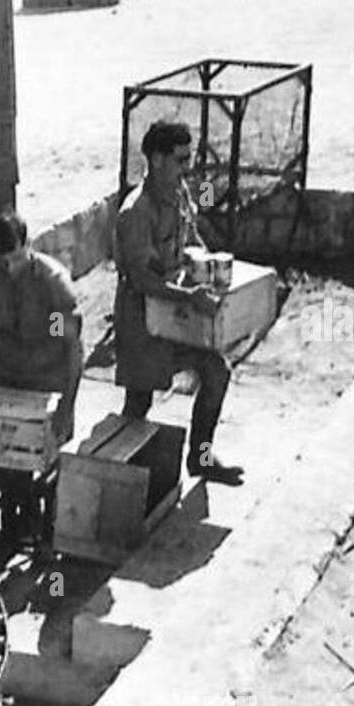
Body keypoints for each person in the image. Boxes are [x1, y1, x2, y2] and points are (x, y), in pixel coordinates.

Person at [113, 120, 243, 485]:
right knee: (139, 403)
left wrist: (207, 263)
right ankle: (119, 476)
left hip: (176, 314)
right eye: (180, 160)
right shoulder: (135, 212)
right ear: (156, 160)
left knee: (216, 371)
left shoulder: (181, 191)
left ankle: (201, 458)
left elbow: (190, 237)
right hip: (142, 323)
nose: (187, 168)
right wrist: (190, 297)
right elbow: (142, 279)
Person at [0, 210, 82, 441]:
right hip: (3, 380)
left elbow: (70, 348)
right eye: (2, 261)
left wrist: (66, 405)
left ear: (29, 245)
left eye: (15, 259)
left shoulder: (52, 285)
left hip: (45, 383)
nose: (10, 268)